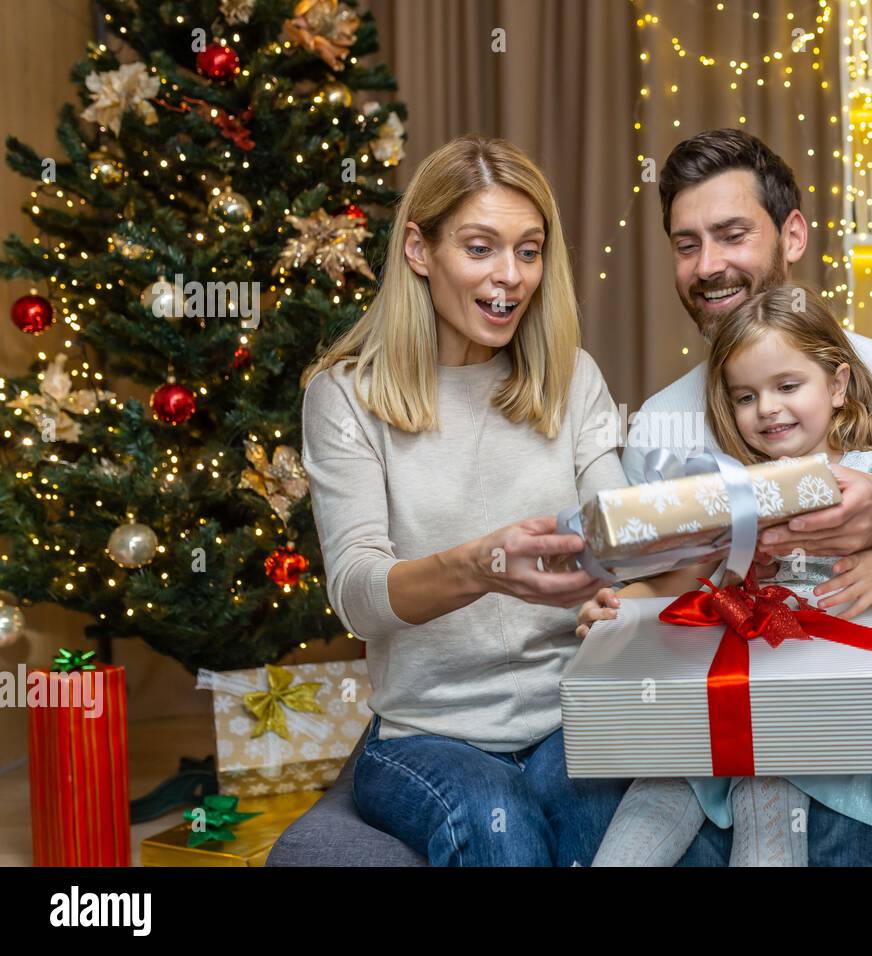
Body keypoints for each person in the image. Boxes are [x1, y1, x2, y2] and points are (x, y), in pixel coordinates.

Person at [616, 128, 872, 865]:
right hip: (742, 702)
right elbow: (668, 585)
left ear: (793, 235)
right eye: (687, 244)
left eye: (731, 234)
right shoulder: (660, 423)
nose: (709, 265)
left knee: (809, 813)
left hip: (862, 709)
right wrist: (631, 601)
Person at [579, 285, 872, 866]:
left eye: (787, 386)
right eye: (746, 396)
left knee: (769, 786)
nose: (768, 409)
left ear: (836, 385)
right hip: (772, 693)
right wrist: (619, 604)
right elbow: (684, 578)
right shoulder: (738, 490)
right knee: (662, 783)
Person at [300, 134, 633, 866]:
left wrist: (624, 582)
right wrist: (479, 567)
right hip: (425, 733)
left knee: (616, 829)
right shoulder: (346, 397)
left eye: (528, 250)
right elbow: (358, 594)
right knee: (493, 821)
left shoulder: (572, 379)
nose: (509, 277)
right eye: (480, 248)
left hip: (567, 717)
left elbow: (619, 531)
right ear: (419, 250)